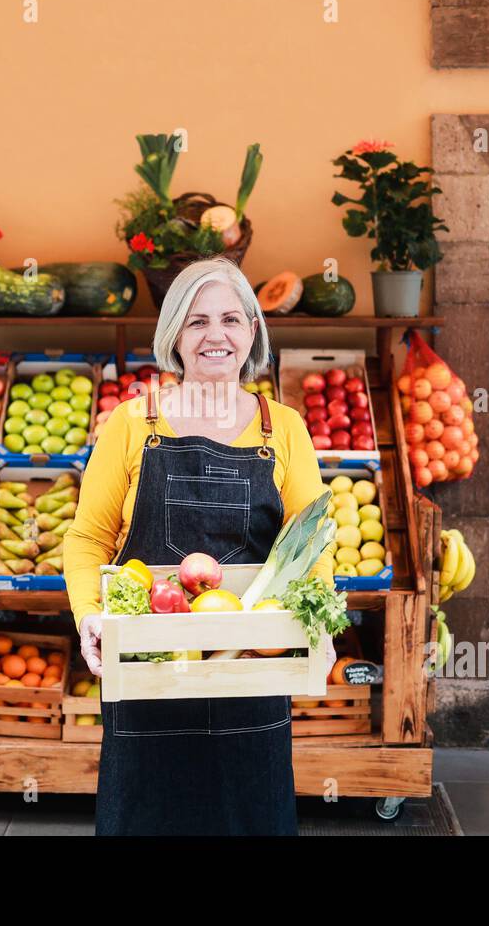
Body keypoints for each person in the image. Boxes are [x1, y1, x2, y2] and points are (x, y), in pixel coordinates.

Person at [64, 257, 336, 836]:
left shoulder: (284, 428)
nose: (217, 335)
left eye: (232, 319)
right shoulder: (131, 424)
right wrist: (89, 616)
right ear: (174, 338)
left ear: (253, 332)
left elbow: (314, 547)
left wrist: (317, 626)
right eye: (197, 321)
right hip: (149, 675)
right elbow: (87, 537)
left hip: (250, 678)